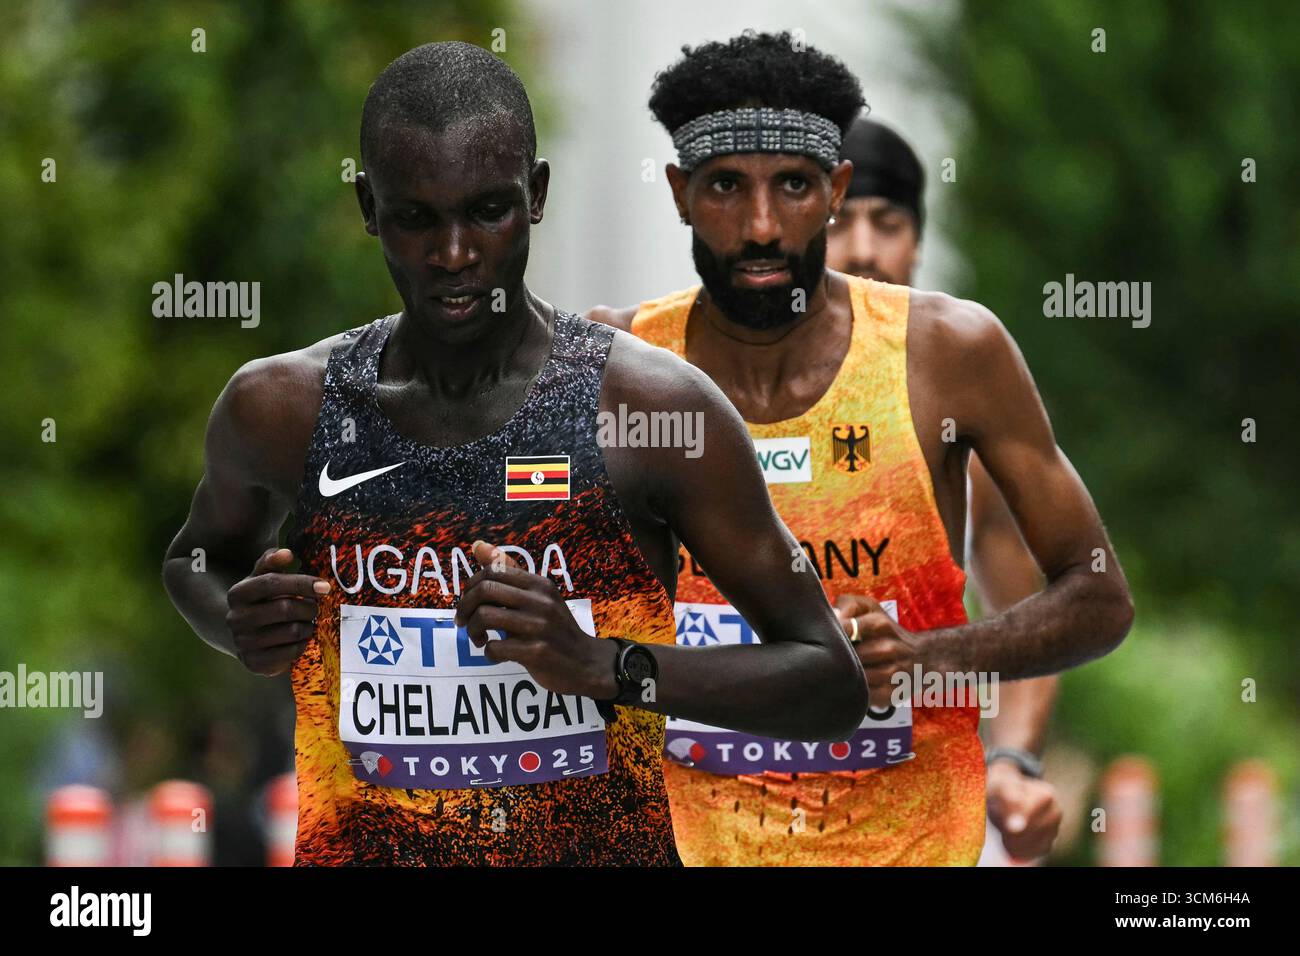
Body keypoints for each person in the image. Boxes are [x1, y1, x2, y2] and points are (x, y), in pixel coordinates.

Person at [162, 40, 867, 866]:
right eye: (417, 217)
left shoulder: (648, 409)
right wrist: (238, 623)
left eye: (486, 211)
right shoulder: (283, 406)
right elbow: (194, 561)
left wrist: (606, 665)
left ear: (535, 195)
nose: (454, 254)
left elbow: (830, 681)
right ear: (367, 205)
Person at [588, 31, 1132, 865]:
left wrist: (928, 660)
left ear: (835, 189)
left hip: (912, 845)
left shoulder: (949, 354)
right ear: (678, 193)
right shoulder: (616, 363)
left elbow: (1098, 601)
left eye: (795, 186)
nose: (763, 227)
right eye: (727, 186)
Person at [827, 116, 1063, 863]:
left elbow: (1041, 616)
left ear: (918, 241)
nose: (864, 248)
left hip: (933, 816)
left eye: (888, 222)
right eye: (840, 223)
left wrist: (1012, 763)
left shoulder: (966, 424)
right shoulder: (723, 409)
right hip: (756, 815)